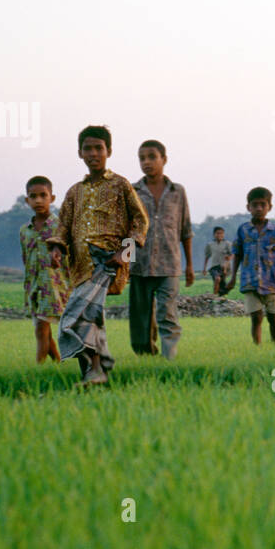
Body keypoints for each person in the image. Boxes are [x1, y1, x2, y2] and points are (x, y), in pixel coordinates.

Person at [47, 125, 149, 386]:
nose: (93, 153)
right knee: (92, 315)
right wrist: (57, 249)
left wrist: (124, 253)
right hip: (79, 265)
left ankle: (95, 370)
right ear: (80, 153)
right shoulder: (74, 192)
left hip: (107, 261)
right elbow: (63, 227)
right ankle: (94, 371)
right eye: (88, 149)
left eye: (98, 148)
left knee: (76, 316)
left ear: (109, 151)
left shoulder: (120, 185)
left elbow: (140, 221)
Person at [129, 139, 193, 359]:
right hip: (139, 264)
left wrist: (190, 265)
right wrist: (126, 262)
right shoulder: (132, 191)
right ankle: (146, 356)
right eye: (142, 158)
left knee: (168, 315)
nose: (146, 162)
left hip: (169, 263)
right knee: (140, 319)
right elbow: (126, 229)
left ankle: (169, 359)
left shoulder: (178, 192)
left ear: (164, 159)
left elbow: (185, 229)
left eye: (151, 157)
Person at [19, 175, 71, 363]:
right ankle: (58, 362)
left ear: (52, 198)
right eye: (33, 196)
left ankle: (38, 367)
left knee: (41, 328)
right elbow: (25, 258)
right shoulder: (25, 230)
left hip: (54, 286)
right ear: (27, 200)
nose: (38, 200)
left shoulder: (61, 227)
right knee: (44, 330)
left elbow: (70, 256)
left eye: (43, 195)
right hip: (34, 287)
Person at [230, 187, 275, 345]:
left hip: (271, 281)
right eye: (255, 205)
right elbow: (237, 254)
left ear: (269, 207)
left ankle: (274, 343)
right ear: (248, 207)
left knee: (273, 317)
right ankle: (258, 346)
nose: (259, 208)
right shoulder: (243, 230)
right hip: (250, 281)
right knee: (256, 317)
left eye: (263, 205)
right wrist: (232, 278)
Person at [202, 226, 234, 296]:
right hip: (214, 267)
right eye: (217, 233)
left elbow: (233, 254)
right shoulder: (210, 245)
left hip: (224, 267)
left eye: (221, 233)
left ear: (224, 234)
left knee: (222, 285)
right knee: (217, 279)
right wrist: (204, 269)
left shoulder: (227, 244)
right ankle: (214, 296)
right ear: (214, 234)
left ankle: (220, 296)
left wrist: (229, 258)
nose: (219, 235)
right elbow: (207, 257)